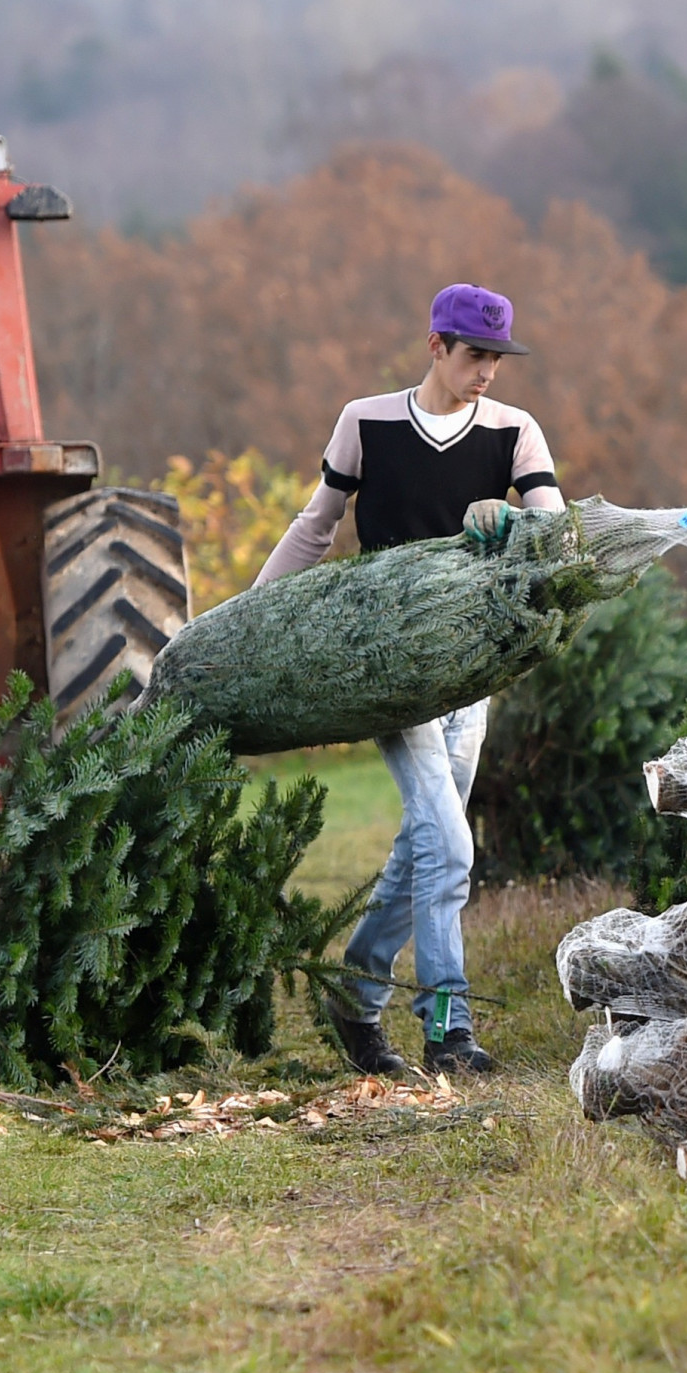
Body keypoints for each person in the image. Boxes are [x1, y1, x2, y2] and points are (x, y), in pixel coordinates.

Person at [254, 282, 564, 1076]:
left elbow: (556, 531)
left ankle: (353, 998)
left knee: (428, 841)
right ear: (436, 346)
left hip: (473, 668)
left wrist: (509, 520)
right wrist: (249, 617)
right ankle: (449, 1029)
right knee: (450, 845)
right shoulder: (367, 422)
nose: (488, 371)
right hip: (390, 666)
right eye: (474, 355)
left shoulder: (514, 432)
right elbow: (316, 528)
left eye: (498, 357)